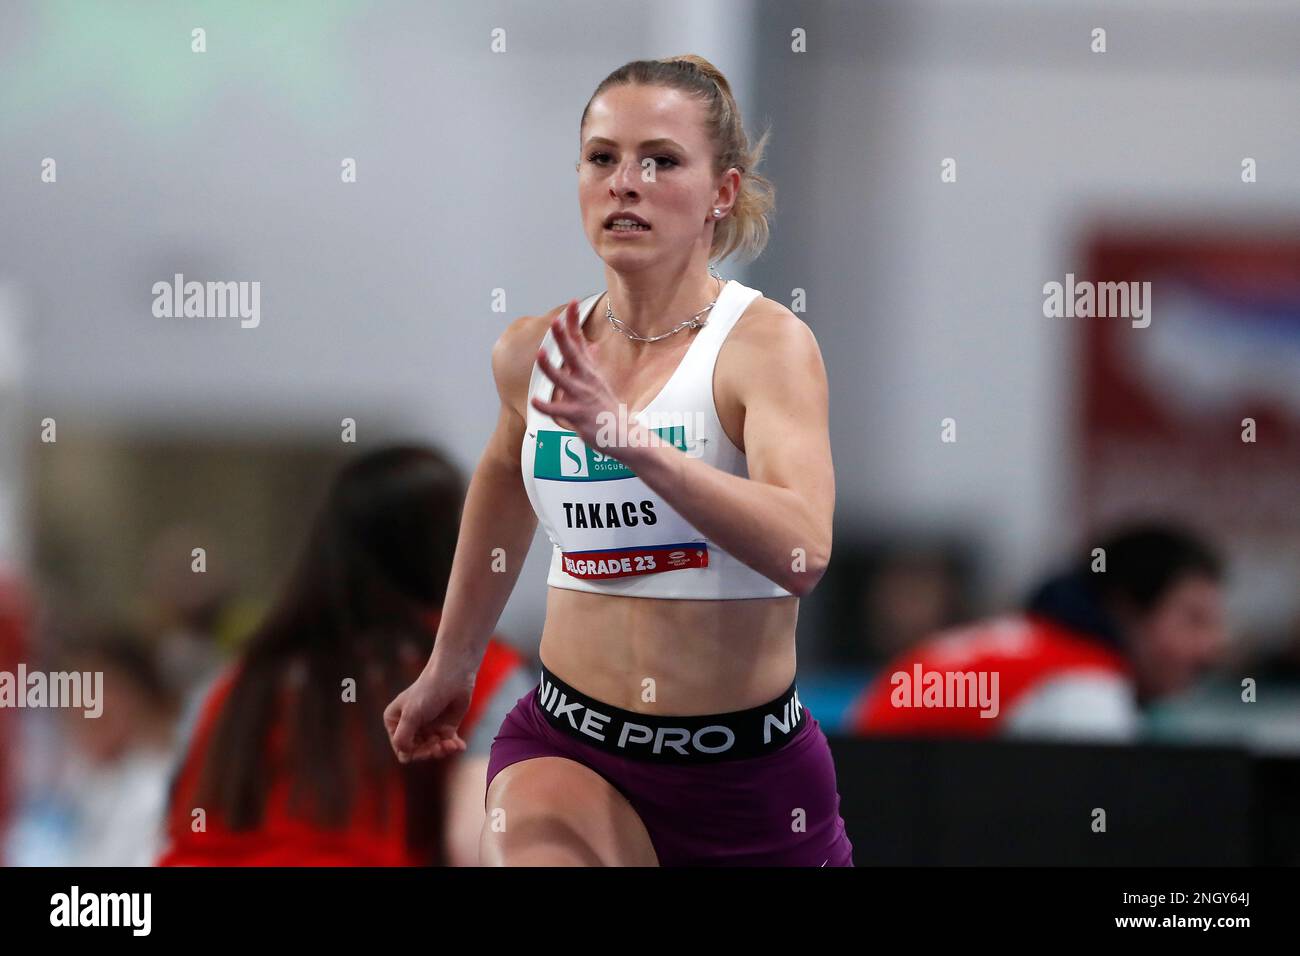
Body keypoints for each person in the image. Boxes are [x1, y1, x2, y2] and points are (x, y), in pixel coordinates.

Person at [385, 55, 853, 866]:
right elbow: (502, 482)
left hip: (746, 780)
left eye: (660, 160)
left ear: (723, 193)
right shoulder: (534, 350)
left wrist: (635, 445)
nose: (625, 182)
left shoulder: (765, 348)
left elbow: (804, 550)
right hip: (570, 750)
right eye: (603, 158)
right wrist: (452, 662)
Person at [157, 446, 532, 866]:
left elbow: (173, 818)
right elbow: (475, 844)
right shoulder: (479, 671)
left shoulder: (235, 680)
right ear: (451, 540)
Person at [849, 522, 1227, 741]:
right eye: (1194, 620)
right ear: (1126, 609)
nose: (1212, 646)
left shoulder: (1033, 645)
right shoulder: (1085, 691)